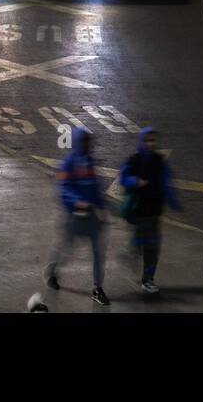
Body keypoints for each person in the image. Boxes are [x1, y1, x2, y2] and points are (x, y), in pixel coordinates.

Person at [44, 126, 110, 306]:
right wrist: (78, 201)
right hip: (73, 217)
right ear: (79, 142)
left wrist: (102, 207)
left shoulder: (89, 162)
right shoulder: (69, 163)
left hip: (91, 217)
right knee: (67, 250)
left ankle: (97, 288)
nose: (90, 144)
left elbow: (96, 187)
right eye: (86, 141)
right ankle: (52, 271)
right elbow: (63, 188)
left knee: (98, 253)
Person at [119, 128, 181, 295]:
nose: (151, 143)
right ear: (142, 142)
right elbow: (124, 178)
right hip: (139, 210)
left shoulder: (159, 160)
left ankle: (148, 279)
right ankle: (135, 259)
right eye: (147, 140)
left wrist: (174, 201)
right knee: (144, 243)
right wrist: (136, 181)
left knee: (152, 248)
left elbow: (166, 182)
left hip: (154, 211)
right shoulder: (134, 160)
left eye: (153, 140)